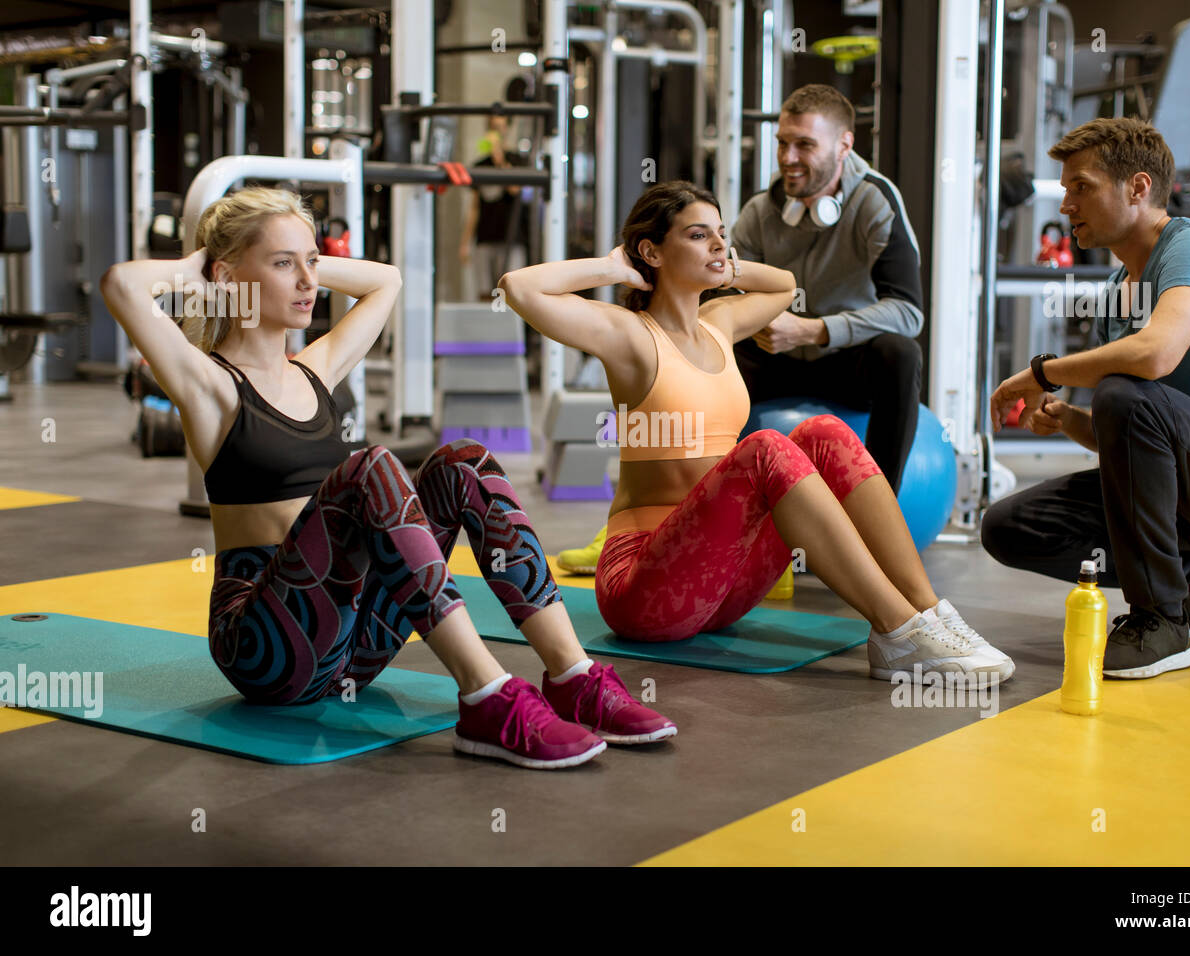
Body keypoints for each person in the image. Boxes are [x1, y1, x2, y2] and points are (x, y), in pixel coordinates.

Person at [99, 186, 674, 770]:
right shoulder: (211, 387)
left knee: (464, 461)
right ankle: (486, 696)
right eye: (282, 265)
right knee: (369, 467)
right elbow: (122, 286)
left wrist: (289, 250)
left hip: (353, 647)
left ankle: (572, 676)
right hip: (266, 650)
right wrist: (202, 270)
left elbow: (387, 280)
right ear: (226, 275)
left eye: (312, 263)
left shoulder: (315, 371)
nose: (308, 282)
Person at [502, 181, 1014, 681]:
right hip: (645, 589)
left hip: (723, 587)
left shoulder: (718, 323)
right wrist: (615, 267)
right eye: (699, 234)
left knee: (825, 433)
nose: (719, 244)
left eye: (722, 232)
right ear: (652, 252)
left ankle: (928, 611)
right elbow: (519, 287)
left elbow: (785, 285)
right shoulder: (629, 335)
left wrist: (729, 264)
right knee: (766, 447)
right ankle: (898, 631)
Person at [557, 84, 925, 574]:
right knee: (680, 360)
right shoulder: (759, 210)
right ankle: (649, 518)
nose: (788, 158)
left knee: (900, 355)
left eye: (805, 145)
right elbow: (715, 289)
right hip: (773, 354)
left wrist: (816, 331)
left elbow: (907, 310)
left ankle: (878, 526)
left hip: (843, 358)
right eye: (782, 143)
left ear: (844, 146)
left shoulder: (876, 204)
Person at [982, 118, 1190, 679]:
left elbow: (1154, 357)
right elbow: (1127, 433)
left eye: (1081, 187)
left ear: (1138, 187)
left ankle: (1161, 621)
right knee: (1008, 526)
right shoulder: (1114, 293)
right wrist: (1071, 420)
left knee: (1127, 390)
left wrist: (1042, 374)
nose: (1066, 205)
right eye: (1066, 190)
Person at [460, 114, 530, 302]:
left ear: (507, 129)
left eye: (500, 127)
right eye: (492, 127)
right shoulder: (479, 165)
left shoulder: (517, 160)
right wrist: (465, 242)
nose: (496, 132)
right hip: (485, 237)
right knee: (485, 292)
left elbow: (515, 190)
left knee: (513, 292)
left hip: (512, 237)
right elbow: (475, 207)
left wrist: (499, 160)